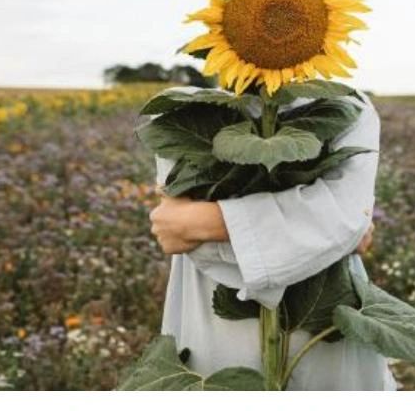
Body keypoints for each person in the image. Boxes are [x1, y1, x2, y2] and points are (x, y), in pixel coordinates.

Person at [146, 87, 397, 390]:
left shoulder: (347, 106)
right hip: (214, 322)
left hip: (327, 323)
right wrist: (325, 233)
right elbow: (342, 225)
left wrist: (204, 222)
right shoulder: (178, 108)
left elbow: (346, 220)